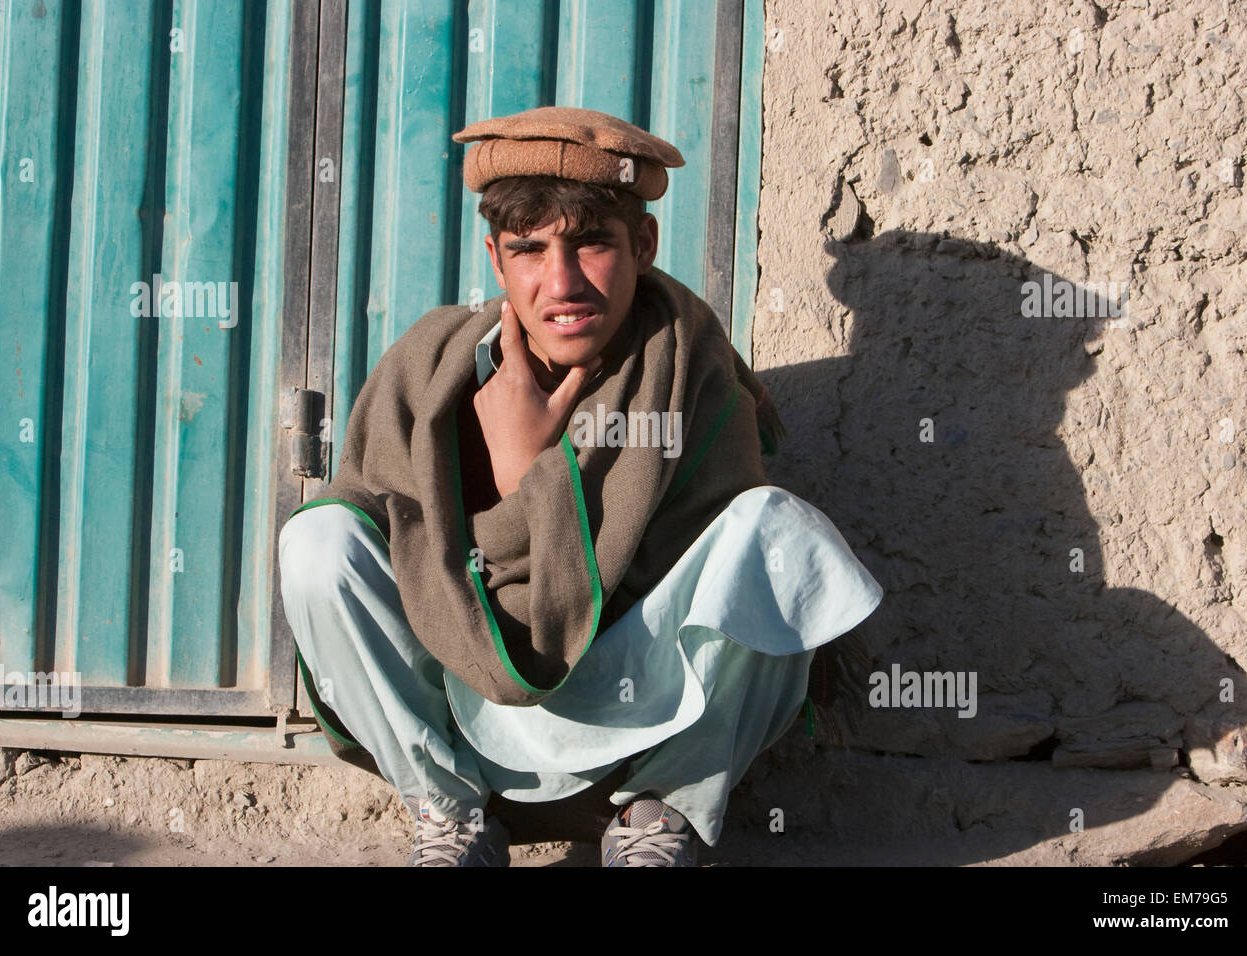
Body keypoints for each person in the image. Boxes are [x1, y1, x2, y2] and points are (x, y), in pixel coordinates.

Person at [278, 106, 882, 866]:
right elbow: (396, 554)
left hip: (641, 717)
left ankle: (662, 813)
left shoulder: (692, 371)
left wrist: (533, 473)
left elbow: (691, 589)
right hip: (464, 700)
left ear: (644, 245)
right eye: (529, 249)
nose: (561, 282)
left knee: (783, 538)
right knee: (317, 539)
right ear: (497, 262)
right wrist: (514, 475)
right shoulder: (430, 369)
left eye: (591, 242)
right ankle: (447, 808)